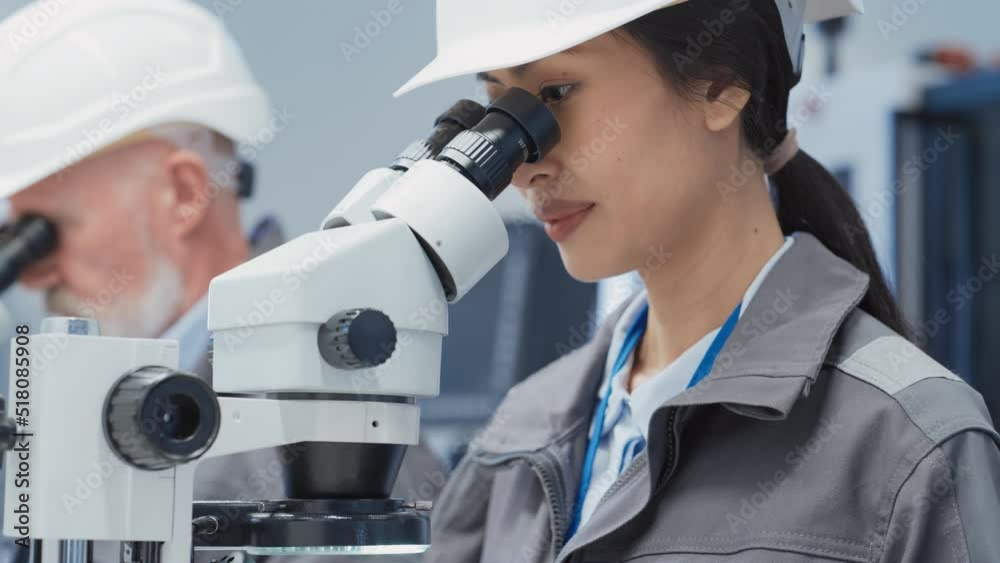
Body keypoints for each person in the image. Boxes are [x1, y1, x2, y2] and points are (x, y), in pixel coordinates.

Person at [394, 0, 1000, 561]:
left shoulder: (908, 443)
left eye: (555, 92)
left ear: (718, 83)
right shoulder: (522, 433)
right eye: (498, 106)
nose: (526, 168)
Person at [0, 0, 445, 560]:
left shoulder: (325, 415)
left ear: (184, 194)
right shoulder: (77, 395)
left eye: (45, 231)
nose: (33, 273)